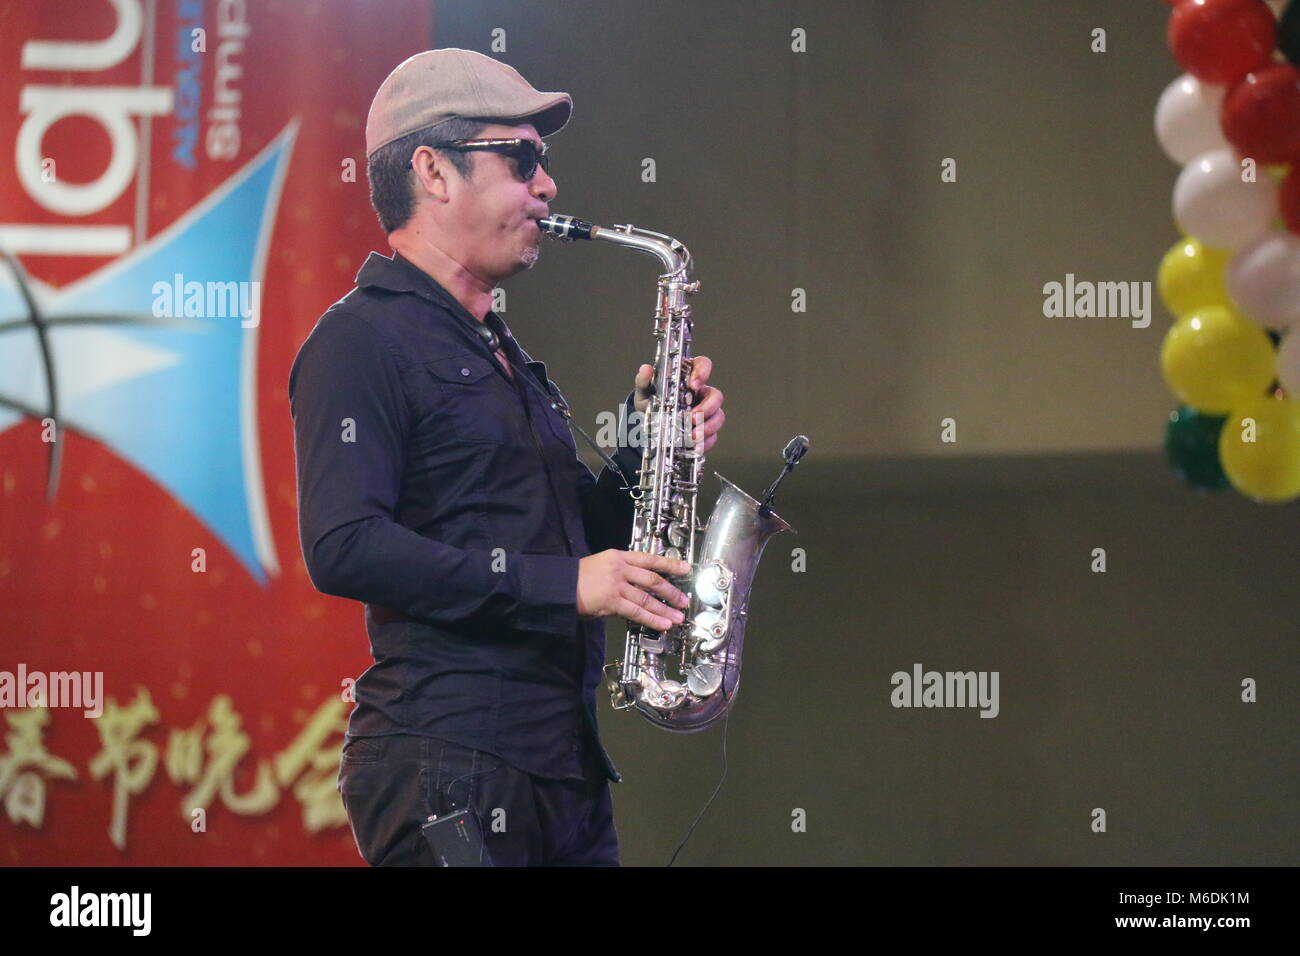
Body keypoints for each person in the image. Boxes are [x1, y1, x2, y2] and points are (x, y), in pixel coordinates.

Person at [288, 48, 726, 866]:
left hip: (559, 765)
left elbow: (563, 533)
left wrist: (649, 436)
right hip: (447, 762)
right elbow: (344, 546)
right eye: (521, 159)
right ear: (434, 171)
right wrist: (568, 583)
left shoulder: (500, 351)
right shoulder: (359, 340)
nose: (547, 185)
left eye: (544, 164)